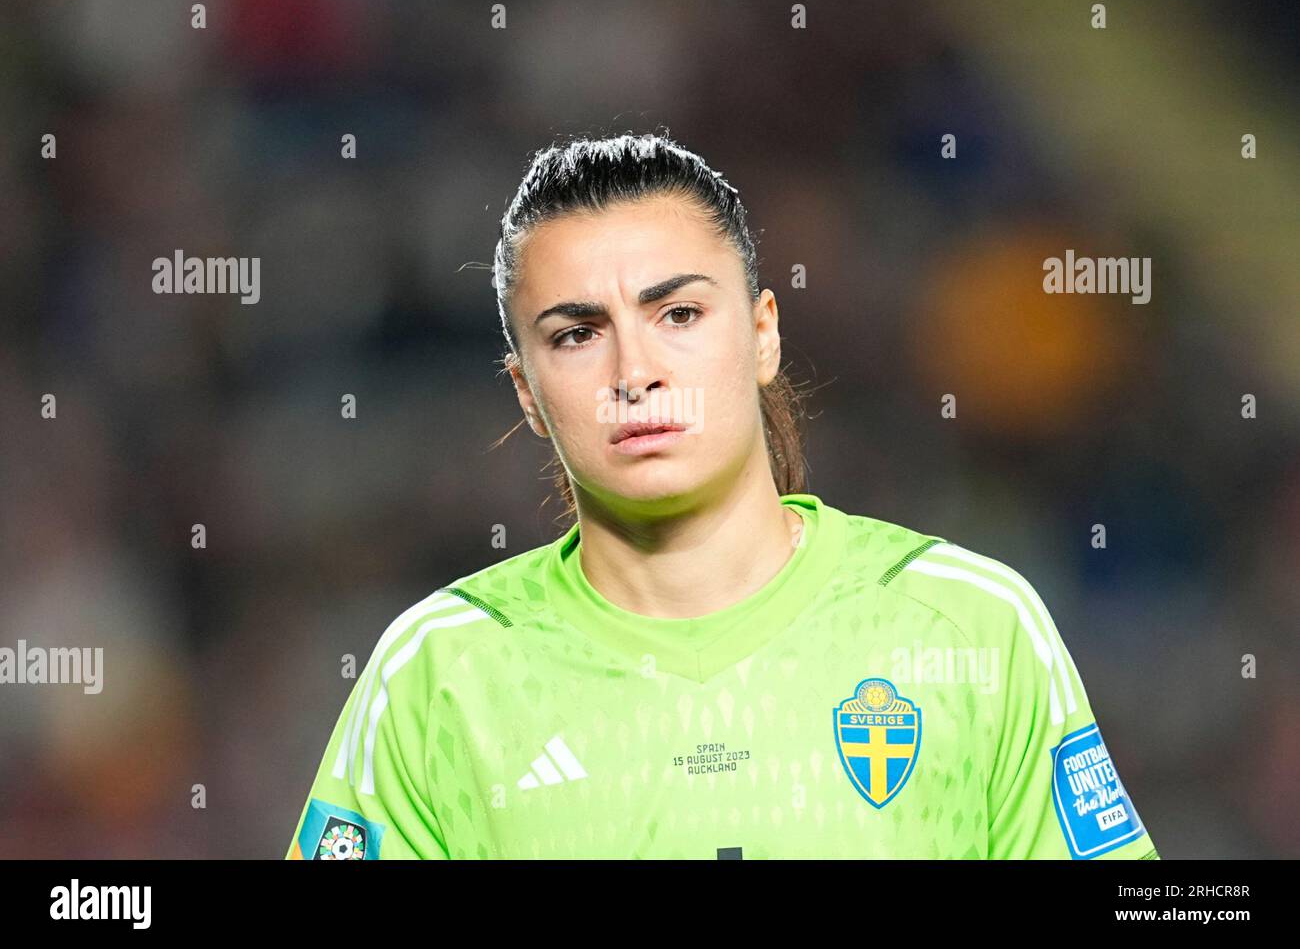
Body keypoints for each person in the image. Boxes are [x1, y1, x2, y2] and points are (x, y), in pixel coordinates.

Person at [286, 132, 1158, 860]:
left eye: (679, 315)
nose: (636, 374)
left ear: (764, 333)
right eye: (579, 334)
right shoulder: (440, 678)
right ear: (527, 394)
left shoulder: (972, 626)